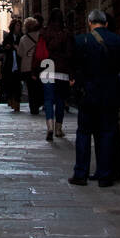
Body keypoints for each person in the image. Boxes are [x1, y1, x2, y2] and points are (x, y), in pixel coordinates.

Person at [68, 9, 120, 188]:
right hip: (110, 95)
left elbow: (75, 67)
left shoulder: (80, 41)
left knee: (84, 133)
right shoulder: (118, 41)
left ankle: (81, 174)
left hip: (88, 94)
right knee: (107, 133)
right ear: (106, 23)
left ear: (89, 22)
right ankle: (105, 175)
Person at [40, 8, 74, 140]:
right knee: (60, 99)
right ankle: (58, 129)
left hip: (47, 67)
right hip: (62, 70)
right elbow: (70, 56)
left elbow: (39, 53)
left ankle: (49, 125)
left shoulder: (44, 33)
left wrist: (34, 70)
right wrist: (72, 75)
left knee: (48, 100)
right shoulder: (66, 34)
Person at [18, 17, 43, 114]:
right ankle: (39, 102)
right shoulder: (40, 36)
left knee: (31, 88)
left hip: (27, 67)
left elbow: (20, 53)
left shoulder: (23, 39)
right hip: (39, 65)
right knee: (39, 86)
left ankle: (33, 107)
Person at [0, 17, 23, 112]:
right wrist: (7, 47)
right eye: (17, 25)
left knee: (17, 84)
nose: (18, 27)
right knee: (10, 83)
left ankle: (17, 102)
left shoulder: (22, 37)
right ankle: (11, 100)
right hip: (9, 64)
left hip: (18, 63)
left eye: (19, 26)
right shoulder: (8, 37)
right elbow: (3, 49)